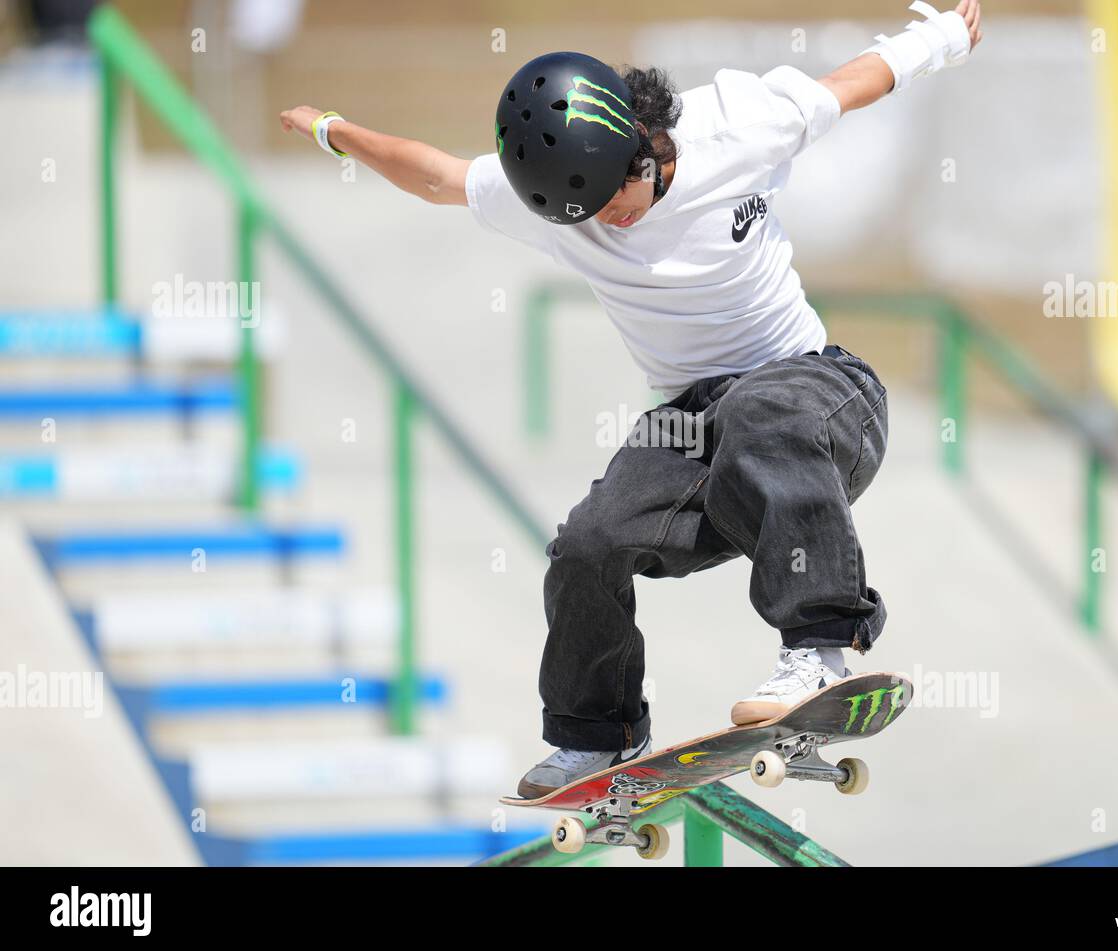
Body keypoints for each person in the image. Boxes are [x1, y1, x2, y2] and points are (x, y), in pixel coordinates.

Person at [281, 0, 982, 798]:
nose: (610, 221)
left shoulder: (740, 123)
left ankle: (820, 648)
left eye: (618, 198)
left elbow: (853, 83)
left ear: (645, 146)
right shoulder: (548, 197)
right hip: (694, 425)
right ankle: (597, 735)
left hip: (822, 395)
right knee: (588, 543)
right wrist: (334, 129)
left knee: (762, 412)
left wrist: (942, 37)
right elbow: (436, 174)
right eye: (589, 217)